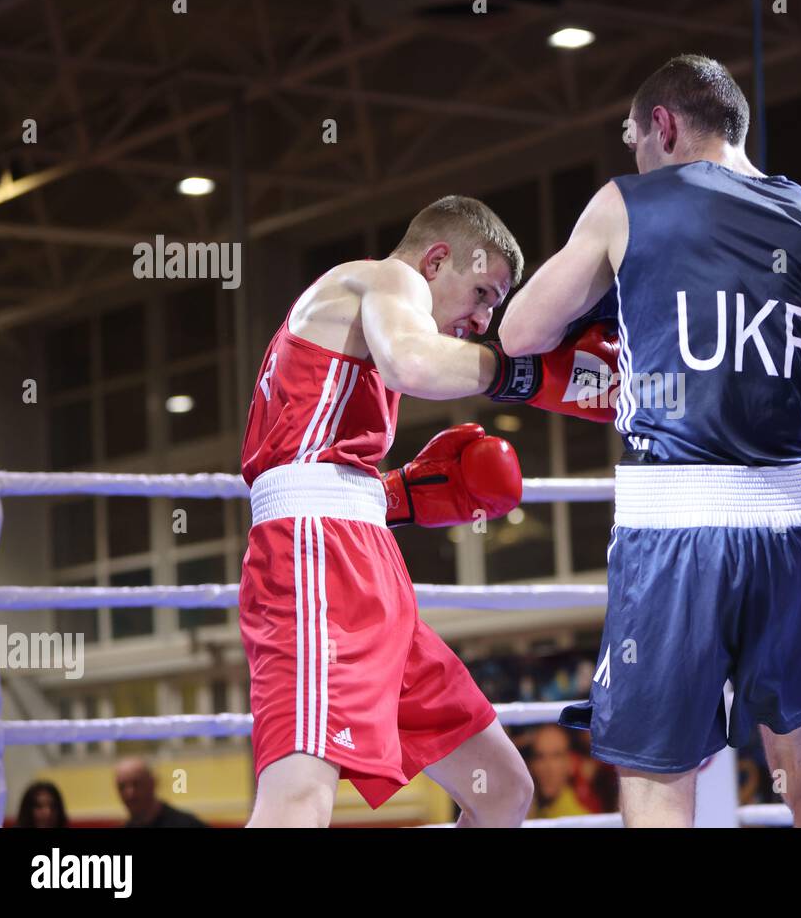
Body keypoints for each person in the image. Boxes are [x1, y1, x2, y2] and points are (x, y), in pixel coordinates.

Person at [499, 55, 801, 827]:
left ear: (661, 125)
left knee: (658, 774)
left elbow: (521, 330)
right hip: (793, 525)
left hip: (677, 529)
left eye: (633, 138)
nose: (633, 154)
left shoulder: (632, 201)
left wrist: (606, 313)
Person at [239, 195, 619, 827]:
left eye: (494, 304)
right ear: (437, 259)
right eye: (482, 294)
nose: (483, 317)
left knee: (502, 791)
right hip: (311, 559)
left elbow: (321, 453)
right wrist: (523, 372)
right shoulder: (383, 277)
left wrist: (397, 495)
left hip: (366, 564)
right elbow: (413, 363)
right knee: (298, 803)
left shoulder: (362, 334)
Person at [115, 758, 206, 827]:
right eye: (122, 787)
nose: (130, 793)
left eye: (136, 784)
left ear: (152, 783)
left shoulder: (187, 824)